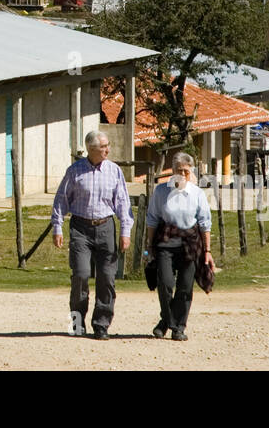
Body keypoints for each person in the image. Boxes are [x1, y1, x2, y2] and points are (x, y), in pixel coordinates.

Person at [51, 131, 133, 340]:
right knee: (80, 275)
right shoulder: (74, 171)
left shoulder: (114, 171)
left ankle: (101, 325)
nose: (108, 149)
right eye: (104, 146)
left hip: (106, 227)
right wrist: (57, 226)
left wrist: (125, 231)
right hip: (80, 228)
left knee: (106, 278)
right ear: (91, 148)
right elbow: (61, 199)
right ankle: (77, 324)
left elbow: (123, 202)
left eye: (108, 145)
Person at [144, 152, 214, 341]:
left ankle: (176, 327)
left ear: (191, 172)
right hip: (166, 241)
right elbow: (152, 219)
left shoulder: (197, 193)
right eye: (178, 170)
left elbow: (205, 223)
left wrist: (207, 251)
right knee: (165, 283)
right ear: (172, 171)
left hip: (190, 243)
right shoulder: (160, 191)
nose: (182, 174)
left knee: (184, 287)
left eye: (185, 171)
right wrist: (149, 247)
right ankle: (168, 321)